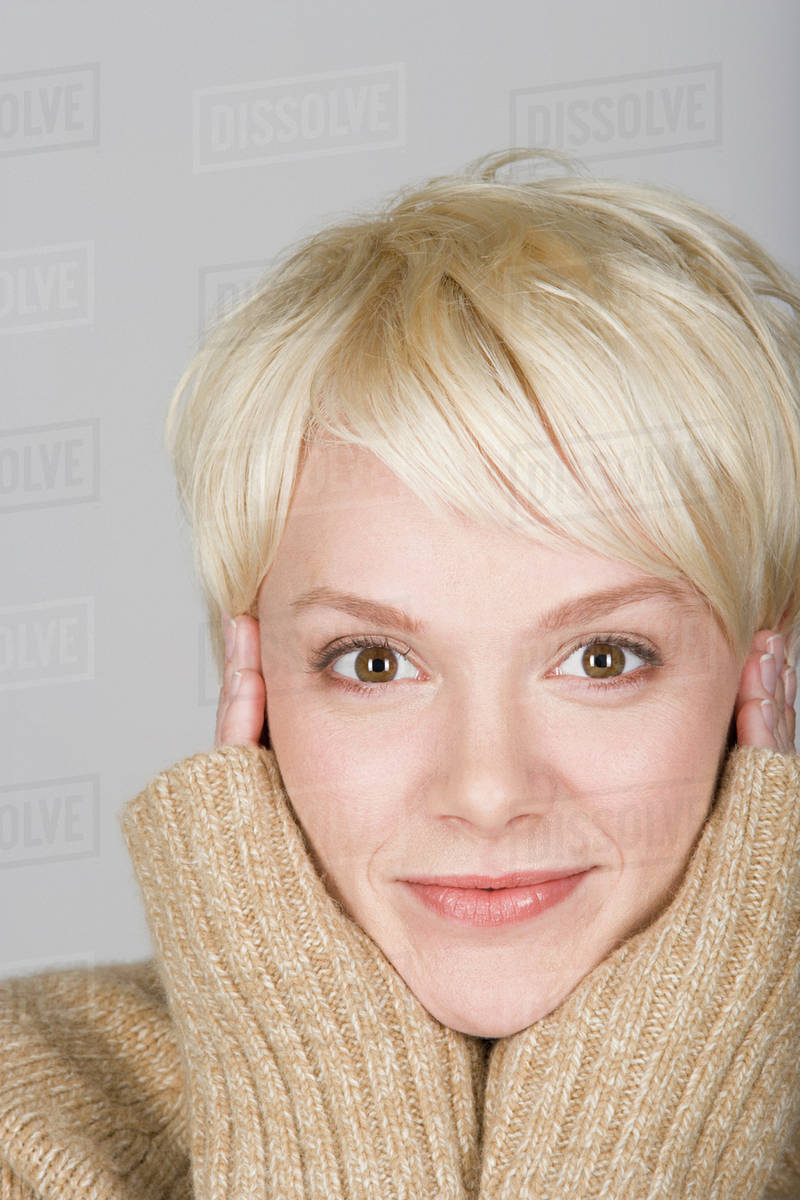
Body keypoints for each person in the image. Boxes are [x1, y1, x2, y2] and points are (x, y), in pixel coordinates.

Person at [1, 148, 798, 1199]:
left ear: (757, 675)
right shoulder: (27, 1116)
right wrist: (320, 1079)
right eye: (375, 663)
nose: (487, 790)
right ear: (253, 680)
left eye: (601, 658)